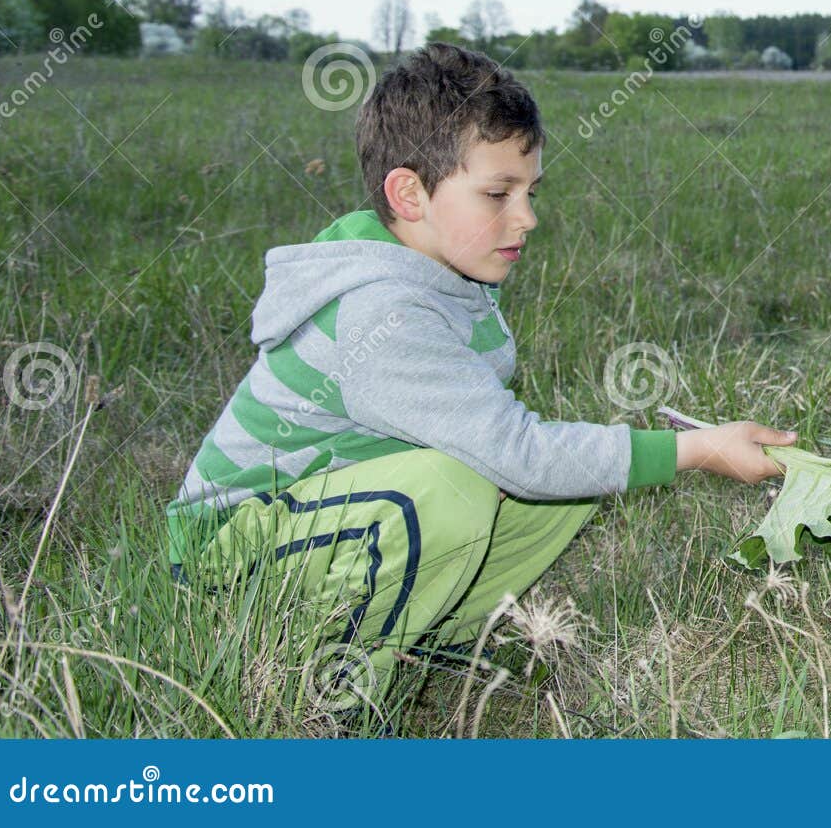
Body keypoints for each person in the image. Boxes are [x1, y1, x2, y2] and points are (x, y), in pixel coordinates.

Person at [164, 41, 793, 713]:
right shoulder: (381, 313)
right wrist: (699, 449)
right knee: (462, 485)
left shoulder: (445, 272)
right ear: (409, 194)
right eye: (498, 194)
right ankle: (320, 690)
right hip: (231, 561)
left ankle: (423, 635)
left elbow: (521, 454)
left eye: (530, 192)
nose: (527, 218)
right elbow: (518, 451)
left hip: (317, 521)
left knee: (565, 483)